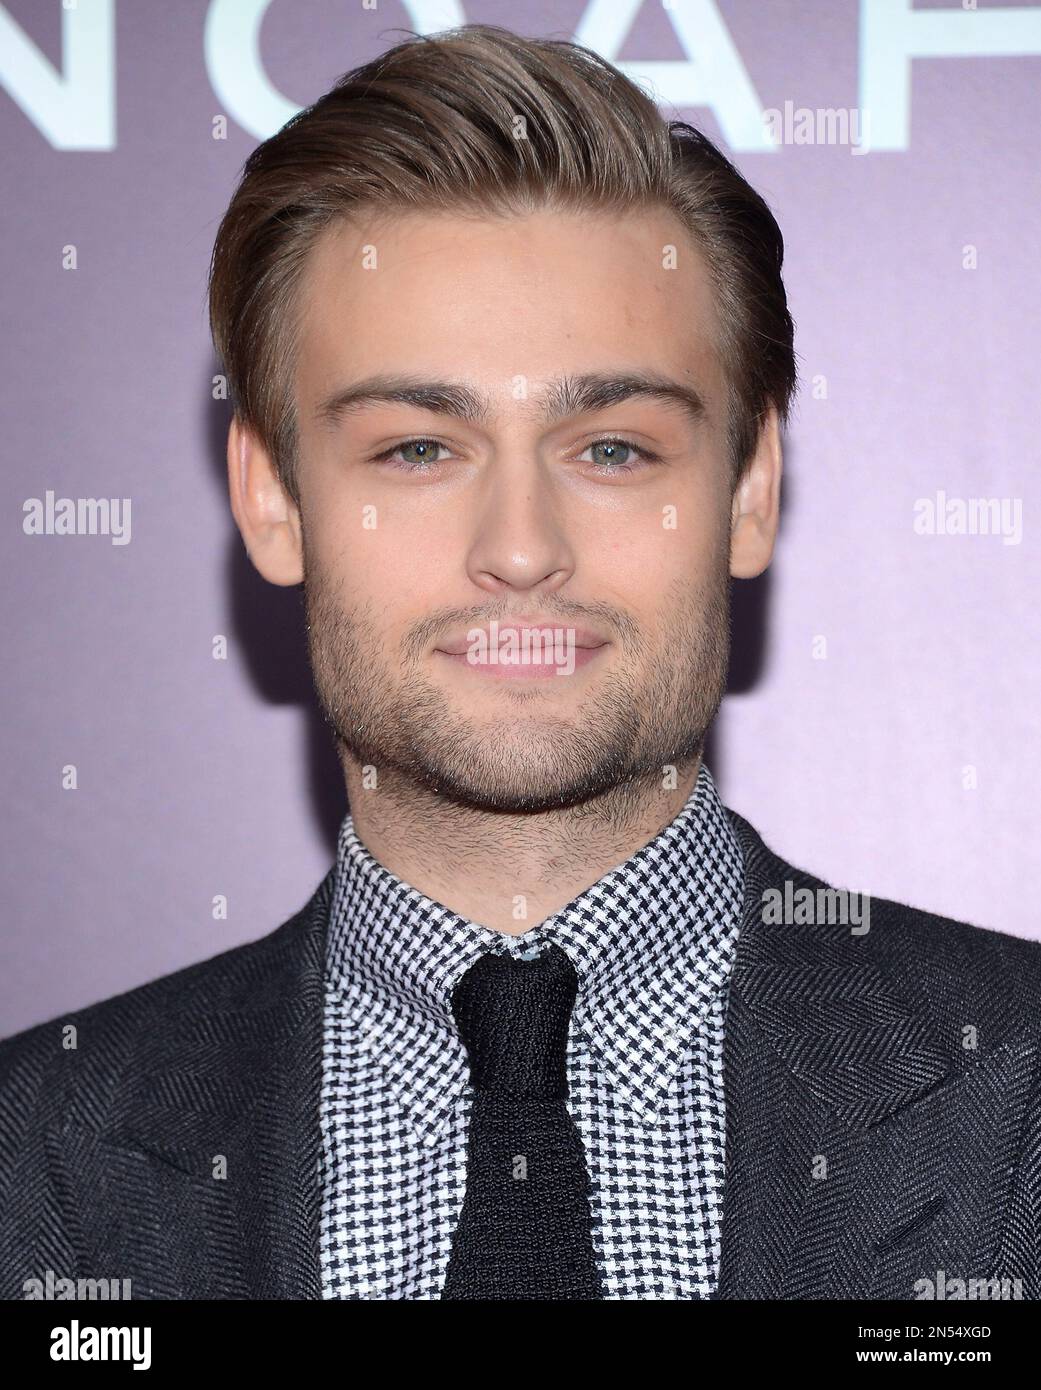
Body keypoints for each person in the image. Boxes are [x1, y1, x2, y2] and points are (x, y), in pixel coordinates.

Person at [3, 23, 1039, 1303]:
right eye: (416, 450)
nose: (520, 549)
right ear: (271, 498)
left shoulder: (1019, 1088)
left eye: (611, 448)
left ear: (752, 485)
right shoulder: (31, 1160)